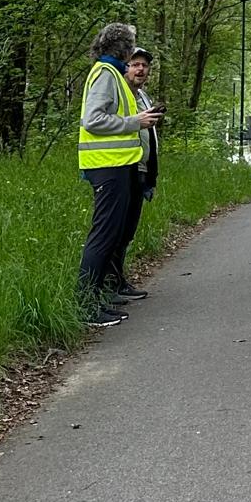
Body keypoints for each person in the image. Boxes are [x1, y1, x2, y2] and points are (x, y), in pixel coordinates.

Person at [77, 23, 162, 327]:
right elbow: (92, 119)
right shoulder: (106, 74)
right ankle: (85, 307)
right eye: (131, 48)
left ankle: (97, 298)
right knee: (103, 237)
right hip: (107, 166)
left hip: (117, 165)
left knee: (112, 235)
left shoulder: (113, 74)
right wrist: (133, 122)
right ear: (123, 47)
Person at [110, 45, 160, 303]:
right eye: (135, 64)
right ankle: (108, 286)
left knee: (128, 230)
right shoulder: (118, 93)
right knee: (115, 230)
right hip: (121, 168)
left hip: (141, 169)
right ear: (125, 67)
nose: (140, 69)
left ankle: (118, 281)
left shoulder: (143, 97)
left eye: (145, 65)